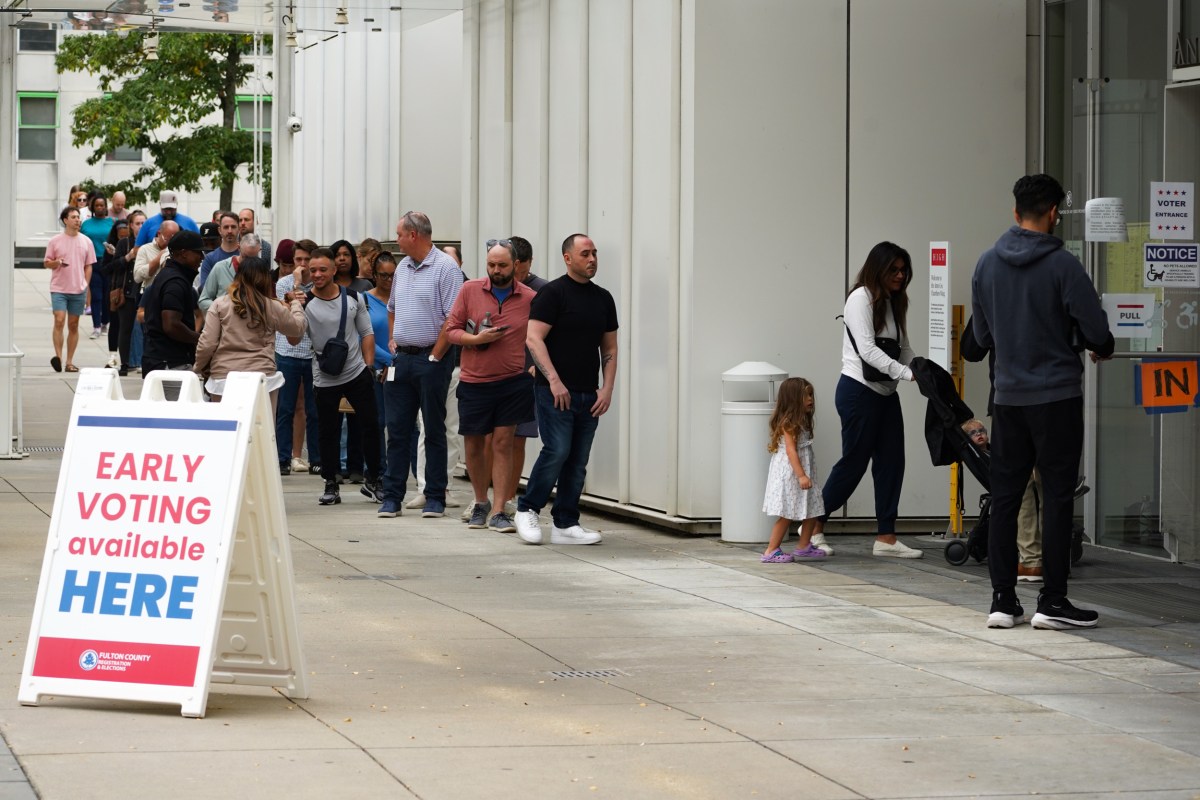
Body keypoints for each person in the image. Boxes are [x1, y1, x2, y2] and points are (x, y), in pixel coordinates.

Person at [971, 173, 1114, 631]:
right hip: (1056, 397)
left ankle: (1001, 600)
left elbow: (981, 337)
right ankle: (1052, 601)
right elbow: (1099, 335)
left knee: (1006, 498)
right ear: (1054, 213)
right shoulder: (1065, 267)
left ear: (1015, 212)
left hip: (1008, 398)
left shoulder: (986, 265)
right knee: (1055, 497)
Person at [807, 241, 921, 559]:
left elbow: (905, 346)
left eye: (903, 270)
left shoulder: (895, 302)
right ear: (878, 269)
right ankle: (813, 526)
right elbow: (867, 350)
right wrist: (906, 374)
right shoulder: (860, 299)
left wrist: (923, 370)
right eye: (893, 270)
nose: (900, 276)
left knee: (892, 463)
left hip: (886, 394)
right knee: (854, 463)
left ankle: (886, 537)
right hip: (859, 391)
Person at [514, 233, 618, 546]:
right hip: (553, 391)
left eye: (595, 254)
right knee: (557, 449)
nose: (592, 259)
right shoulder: (552, 294)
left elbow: (610, 348)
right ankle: (527, 508)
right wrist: (555, 381)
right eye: (585, 254)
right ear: (568, 258)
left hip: (589, 394)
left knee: (578, 458)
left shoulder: (603, 299)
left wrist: (607, 389)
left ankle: (565, 522)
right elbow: (534, 339)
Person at [445, 239, 536, 533]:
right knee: (473, 443)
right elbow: (451, 330)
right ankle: (480, 501)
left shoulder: (530, 297)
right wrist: (476, 340)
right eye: (491, 265)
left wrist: (535, 364)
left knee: (503, 443)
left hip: (513, 381)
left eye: (502, 265)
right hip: (474, 380)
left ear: (516, 265)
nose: (496, 271)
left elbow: (543, 334)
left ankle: (499, 509)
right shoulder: (470, 289)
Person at [377, 212, 463, 519]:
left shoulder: (446, 268)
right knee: (397, 429)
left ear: (414, 235)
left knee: (434, 429)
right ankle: (392, 497)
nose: (397, 239)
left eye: (399, 234)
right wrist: (392, 341)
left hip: (432, 359)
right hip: (402, 359)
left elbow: (453, 319)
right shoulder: (402, 266)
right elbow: (392, 309)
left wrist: (436, 356)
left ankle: (435, 496)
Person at [302, 248, 383, 507]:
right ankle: (330, 482)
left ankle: (374, 480)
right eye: (312, 270)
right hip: (324, 377)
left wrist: (369, 367)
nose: (317, 275)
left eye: (323, 269)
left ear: (335, 270)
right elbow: (293, 337)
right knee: (328, 432)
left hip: (357, 372)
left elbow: (367, 333)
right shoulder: (303, 302)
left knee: (370, 426)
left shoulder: (353, 298)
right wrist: (292, 306)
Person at [193, 256, 306, 407]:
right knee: (262, 428)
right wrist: (295, 303)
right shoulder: (271, 306)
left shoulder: (219, 304)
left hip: (224, 377)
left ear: (237, 277)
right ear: (266, 279)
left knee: (227, 428)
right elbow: (298, 328)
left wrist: (198, 367)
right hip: (261, 376)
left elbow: (207, 343)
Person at [761, 377, 827, 563]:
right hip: (792, 474)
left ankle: (804, 545)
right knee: (787, 513)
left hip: (804, 473)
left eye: (811, 395)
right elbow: (790, 451)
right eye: (805, 396)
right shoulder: (789, 422)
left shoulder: (802, 421)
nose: (810, 399)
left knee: (813, 508)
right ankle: (771, 550)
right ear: (792, 399)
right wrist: (801, 475)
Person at [275, 239, 321, 476]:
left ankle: (315, 458)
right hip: (287, 351)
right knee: (285, 407)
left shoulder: (320, 285)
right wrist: (296, 284)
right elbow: (285, 316)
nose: (302, 265)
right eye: (298, 260)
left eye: (306, 260)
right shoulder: (283, 284)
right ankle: (283, 458)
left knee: (313, 409)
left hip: (313, 353)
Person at [141, 230, 205, 394]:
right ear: (183, 254)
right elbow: (171, 325)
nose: (202, 257)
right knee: (176, 414)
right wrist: (198, 339)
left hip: (161, 359)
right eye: (198, 252)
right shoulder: (175, 282)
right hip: (169, 363)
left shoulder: (170, 275)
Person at [44, 206, 96, 373]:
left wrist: (85, 284)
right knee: (59, 320)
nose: (77, 220)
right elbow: (47, 263)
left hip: (78, 289)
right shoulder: (55, 241)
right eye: (73, 217)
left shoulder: (86, 241)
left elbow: (89, 265)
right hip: (59, 288)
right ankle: (58, 358)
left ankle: (69, 362)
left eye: (78, 217)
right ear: (65, 220)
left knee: (73, 325)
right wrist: (56, 262)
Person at [364, 252, 396, 476]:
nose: (388, 280)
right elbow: (362, 335)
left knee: (401, 423)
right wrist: (387, 360)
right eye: (383, 275)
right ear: (374, 275)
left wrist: (395, 362)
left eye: (393, 275)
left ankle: (398, 471)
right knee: (377, 421)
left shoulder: (403, 298)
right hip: (375, 368)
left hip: (398, 368)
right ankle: (375, 471)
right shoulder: (364, 299)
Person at [106, 210, 146, 375]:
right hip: (127, 291)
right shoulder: (125, 243)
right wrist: (128, 257)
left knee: (146, 329)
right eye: (137, 223)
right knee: (125, 328)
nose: (140, 227)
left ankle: (144, 361)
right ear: (131, 225)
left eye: (144, 223)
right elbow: (113, 266)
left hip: (144, 291)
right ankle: (125, 363)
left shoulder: (151, 243)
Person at [199, 233, 262, 312]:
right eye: (245, 257)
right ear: (238, 248)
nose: (249, 262)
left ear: (259, 251)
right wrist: (224, 308)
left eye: (253, 258)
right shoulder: (220, 268)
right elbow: (203, 301)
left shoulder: (262, 272)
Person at [81, 194, 114, 339]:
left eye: (102, 205)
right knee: (96, 296)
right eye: (97, 205)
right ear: (92, 207)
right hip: (92, 263)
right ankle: (96, 326)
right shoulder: (86, 224)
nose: (100, 208)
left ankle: (105, 322)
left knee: (107, 296)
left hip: (109, 263)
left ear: (106, 207)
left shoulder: (112, 223)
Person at [135, 190, 200, 246]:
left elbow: (200, 244)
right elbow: (137, 248)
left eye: (171, 209)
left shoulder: (189, 223)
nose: (169, 212)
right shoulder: (148, 223)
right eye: (166, 209)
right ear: (160, 205)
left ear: (176, 205)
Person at [199, 212, 241, 288]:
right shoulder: (209, 259)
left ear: (239, 229)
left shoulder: (245, 256)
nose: (230, 231)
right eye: (226, 227)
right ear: (219, 230)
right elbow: (205, 289)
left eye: (233, 227)